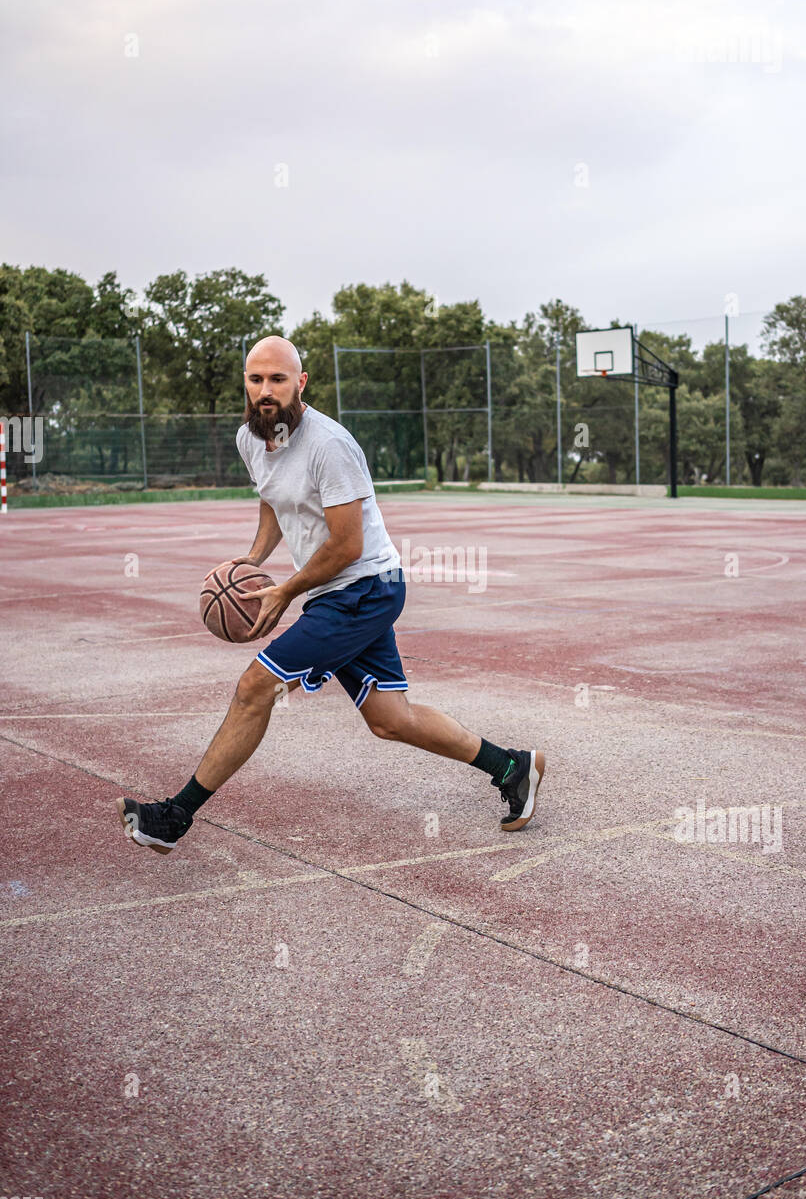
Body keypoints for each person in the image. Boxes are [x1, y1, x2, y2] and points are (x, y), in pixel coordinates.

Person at [116, 336, 545, 855]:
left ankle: (173, 817)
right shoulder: (250, 438)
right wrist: (251, 561)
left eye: (278, 379)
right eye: (256, 379)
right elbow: (274, 500)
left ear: (300, 382)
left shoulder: (329, 445)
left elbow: (347, 545)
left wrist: (285, 592)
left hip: (366, 588)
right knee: (391, 720)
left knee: (255, 688)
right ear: (246, 384)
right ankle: (512, 767)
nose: (266, 390)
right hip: (336, 592)